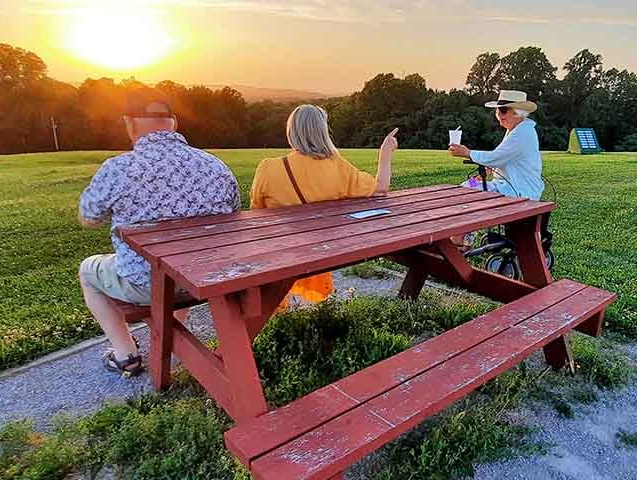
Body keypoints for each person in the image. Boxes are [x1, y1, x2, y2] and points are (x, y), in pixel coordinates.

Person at [78, 89, 241, 377]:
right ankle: (170, 333)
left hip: (148, 283)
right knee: (180, 264)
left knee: (88, 271)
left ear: (129, 123)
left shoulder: (118, 169)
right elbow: (233, 215)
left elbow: (89, 218)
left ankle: (125, 354)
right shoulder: (215, 166)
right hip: (203, 277)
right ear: (174, 123)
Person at [250, 104, 398, 306]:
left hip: (279, 257)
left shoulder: (268, 168)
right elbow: (381, 188)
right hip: (321, 254)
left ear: (291, 131)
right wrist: (385, 151)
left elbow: (255, 214)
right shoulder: (337, 167)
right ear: (322, 131)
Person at [449, 90, 543, 247]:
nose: (499, 114)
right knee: (470, 184)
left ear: (517, 112)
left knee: (466, 191)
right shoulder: (517, 130)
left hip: (518, 191)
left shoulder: (522, 133)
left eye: (503, 110)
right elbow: (504, 159)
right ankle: (463, 235)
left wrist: (467, 153)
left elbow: (496, 156)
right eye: (498, 110)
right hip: (510, 186)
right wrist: (488, 168)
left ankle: (461, 239)